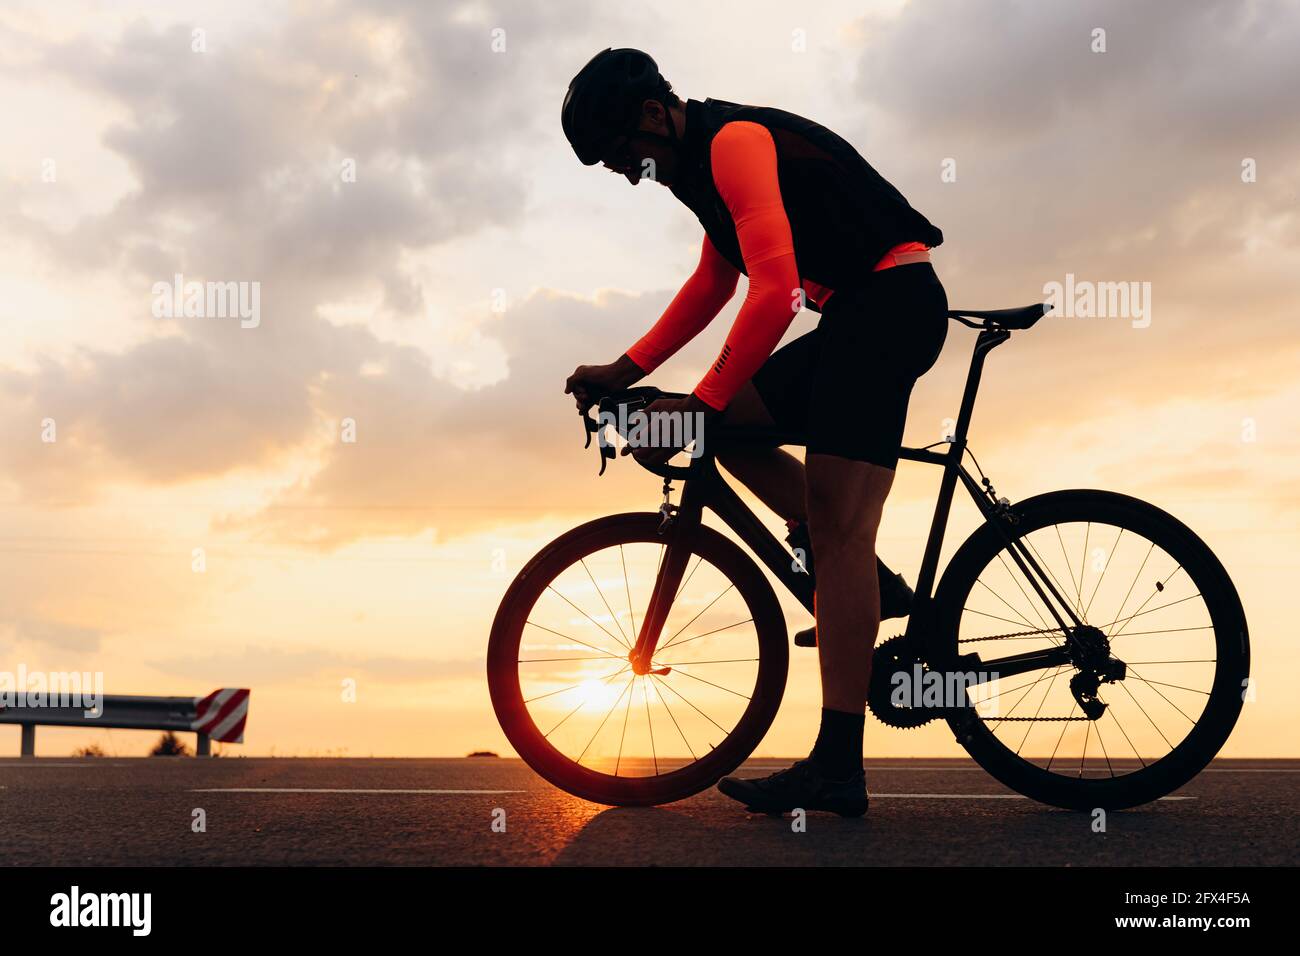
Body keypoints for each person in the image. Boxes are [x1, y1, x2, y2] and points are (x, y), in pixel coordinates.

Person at [561, 48, 949, 816]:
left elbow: (773, 294)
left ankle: (838, 766)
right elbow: (716, 279)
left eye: (617, 154)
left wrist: (699, 403)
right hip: (860, 315)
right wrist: (627, 370)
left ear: (650, 115)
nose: (620, 171)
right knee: (733, 435)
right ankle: (862, 576)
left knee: (831, 525)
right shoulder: (692, 170)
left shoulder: (733, 143)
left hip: (888, 307)